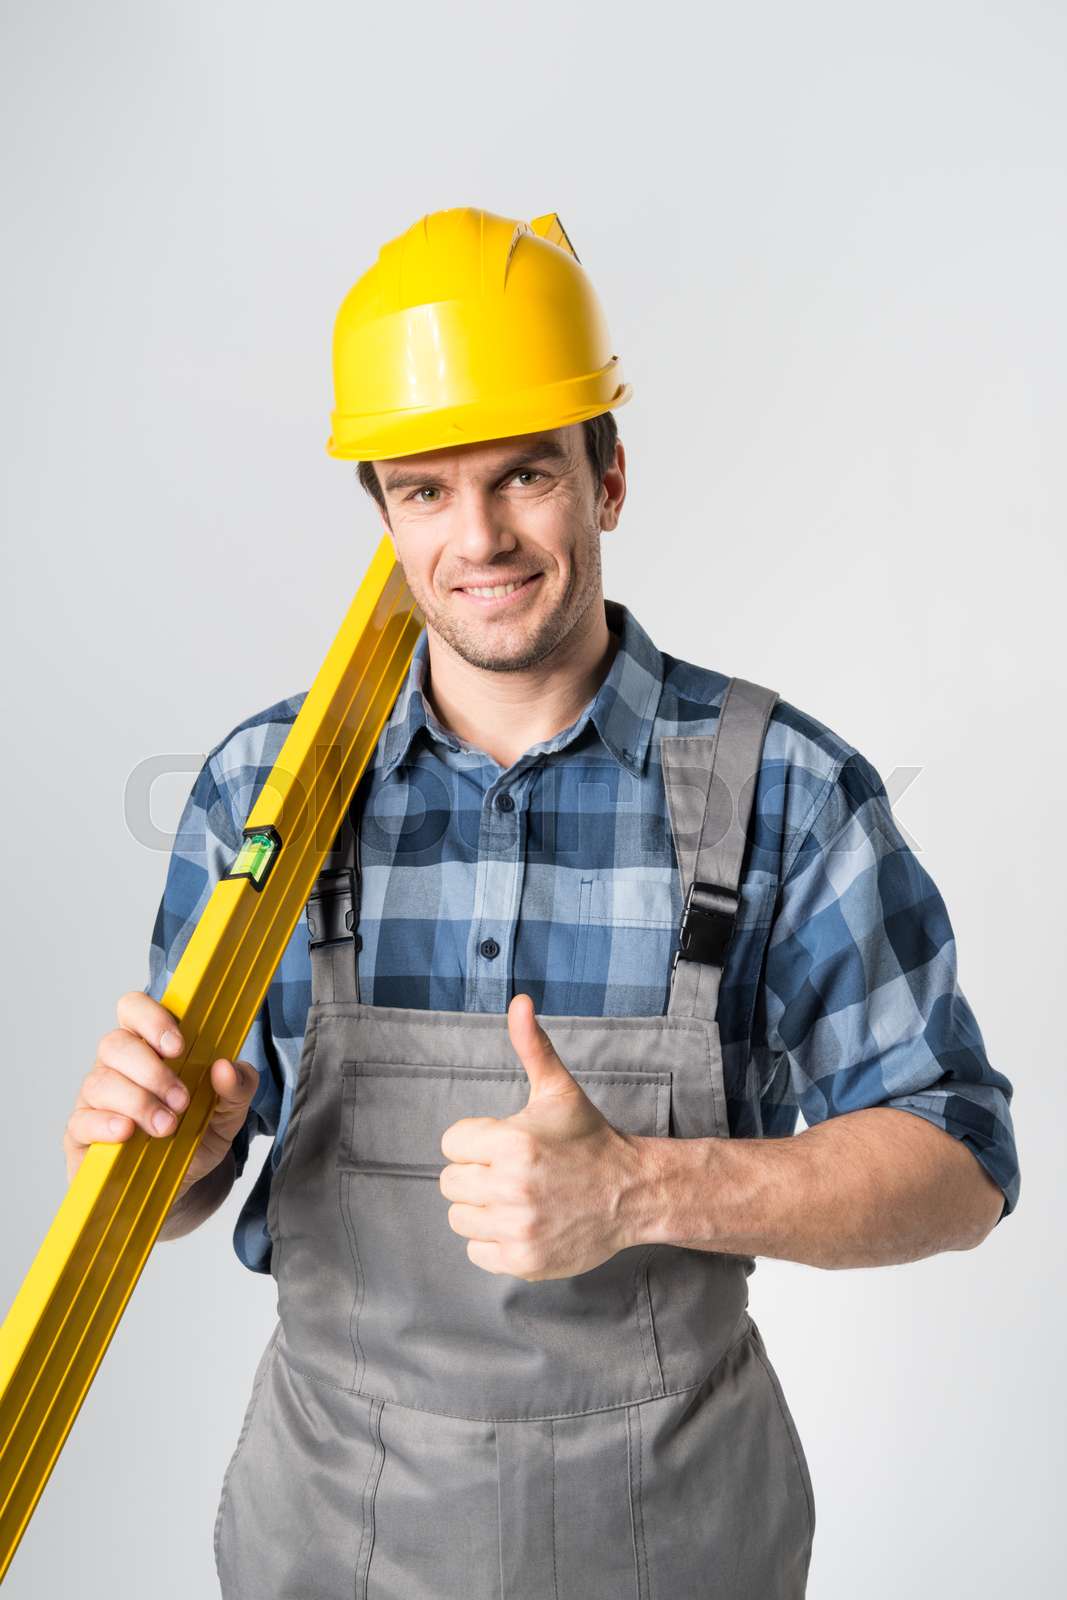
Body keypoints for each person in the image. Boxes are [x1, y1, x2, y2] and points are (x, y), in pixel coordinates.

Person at [62, 208, 1020, 1599]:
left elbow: (963, 1166)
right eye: (426, 491)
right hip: (332, 1546)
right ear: (383, 515)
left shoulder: (788, 792)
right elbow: (180, 1193)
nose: (482, 538)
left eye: (524, 475)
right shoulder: (267, 796)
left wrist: (643, 1186)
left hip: (676, 1544)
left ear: (608, 475)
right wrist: (178, 1149)